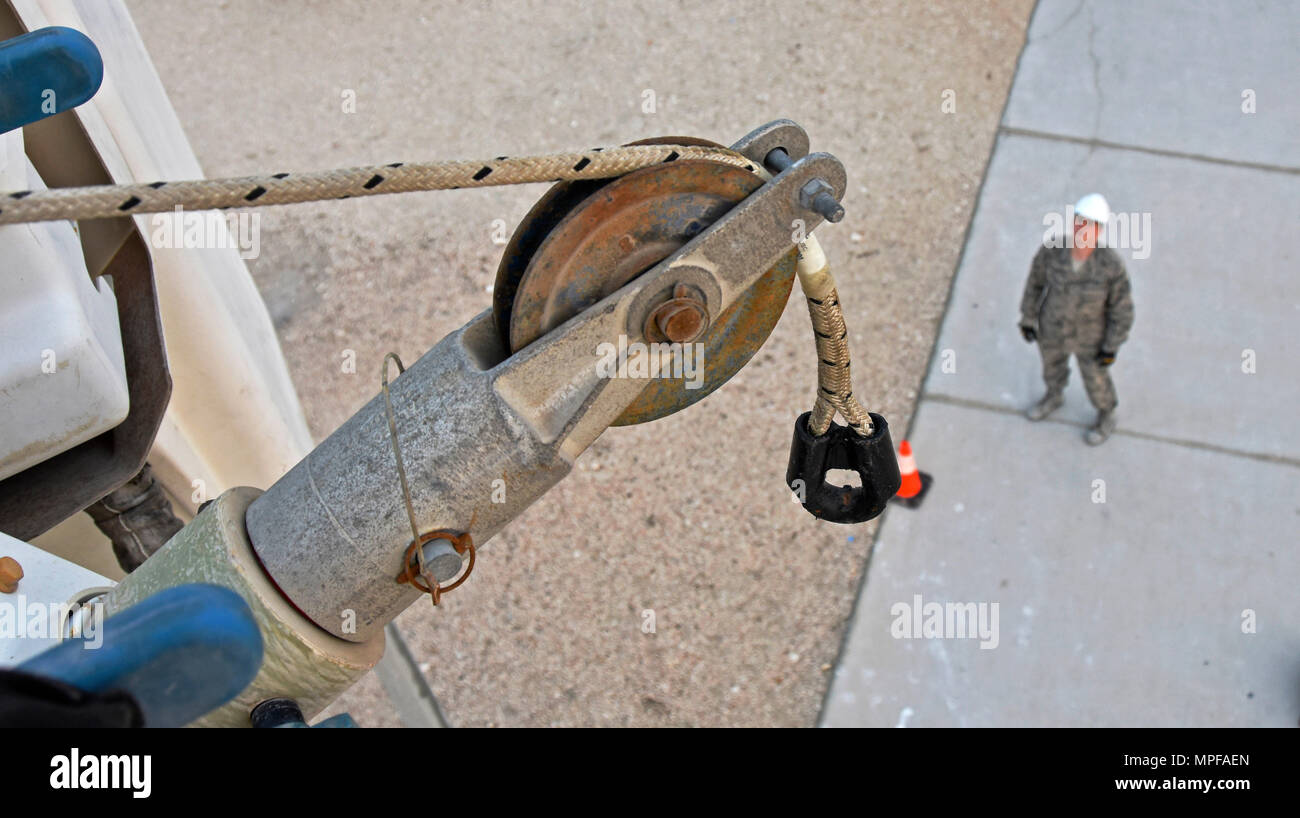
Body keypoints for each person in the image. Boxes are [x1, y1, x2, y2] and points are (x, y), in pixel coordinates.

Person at [1019, 193, 1134, 445]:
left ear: (1099, 230)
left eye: (1090, 226)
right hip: (1053, 328)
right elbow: (1034, 284)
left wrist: (1111, 346)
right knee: (1052, 368)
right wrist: (1028, 317)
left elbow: (1122, 309)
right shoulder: (1052, 251)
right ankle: (1054, 396)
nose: (1083, 230)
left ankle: (1106, 415)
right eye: (1079, 222)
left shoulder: (1110, 266)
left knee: (1096, 380)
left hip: (1090, 337)